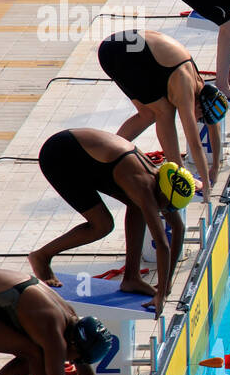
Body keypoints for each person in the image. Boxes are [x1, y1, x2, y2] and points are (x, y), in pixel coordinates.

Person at [30, 128, 192, 316]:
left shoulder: (161, 182)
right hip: (60, 156)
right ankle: (41, 256)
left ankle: (132, 278)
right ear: (164, 192)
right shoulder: (143, 185)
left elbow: (178, 228)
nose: (166, 211)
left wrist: (168, 283)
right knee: (102, 225)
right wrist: (161, 296)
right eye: (168, 207)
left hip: (87, 159)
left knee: (136, 206)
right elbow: (162, 244)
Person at [96, 29, 226, 193]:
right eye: (200, 117)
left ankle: (106, 156)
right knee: (164, 111)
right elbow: (194, 143)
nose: (198, 120)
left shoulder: (199, 85)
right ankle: (178, 176)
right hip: (119, 52)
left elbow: (214, 126)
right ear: (199, 105)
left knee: (148, 114)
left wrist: (215, 167)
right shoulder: (185, 89)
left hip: (120, 48)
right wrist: (206, 186)